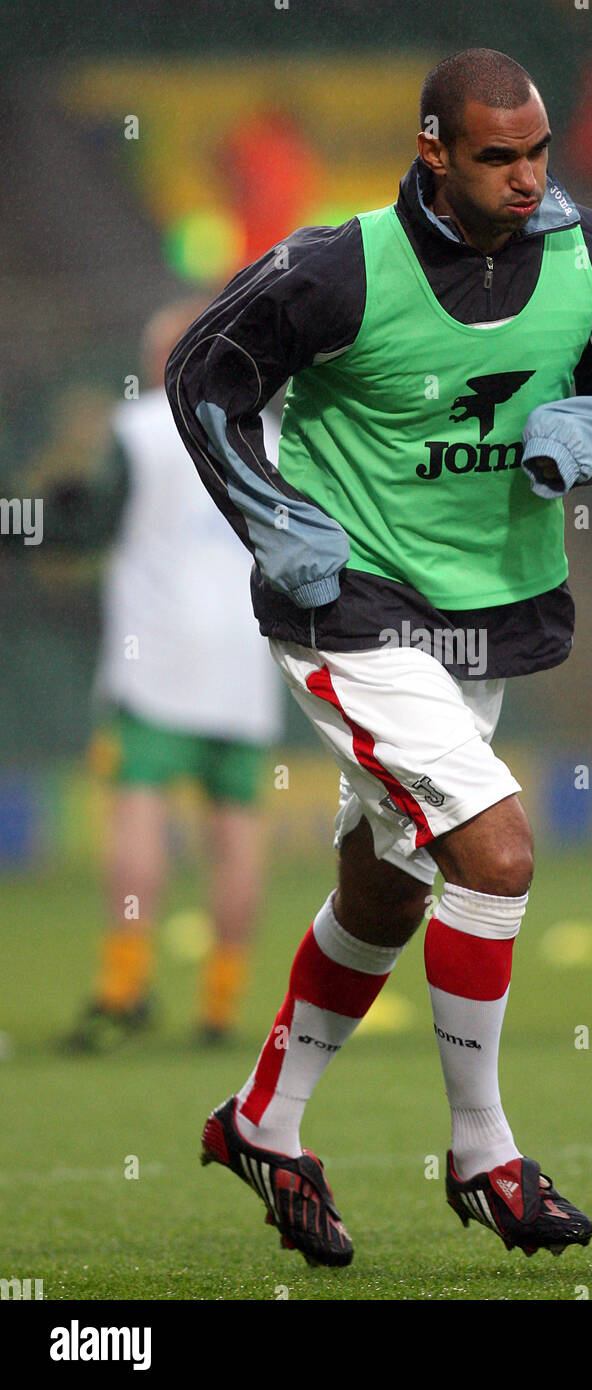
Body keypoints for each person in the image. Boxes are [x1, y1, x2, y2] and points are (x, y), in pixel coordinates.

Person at [166, 48, 592, 1266]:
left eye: (538, 152)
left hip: (482, 618)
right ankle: (482, 1151)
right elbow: (205, 376)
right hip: (349, 609)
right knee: (494, 850)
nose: (526, 178)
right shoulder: (339, 266)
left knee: (387, 887)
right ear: (433, 152)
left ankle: (264, 1121)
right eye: (495, 157)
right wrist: (281, 525)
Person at [60, 301, 284, 1051]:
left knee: (138, 817)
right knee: (237, 829)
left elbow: (88, 525)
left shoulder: (141, 427)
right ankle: (220, 1005)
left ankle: (123, 989)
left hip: (154, 657)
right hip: (243, 657)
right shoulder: (270, 436)